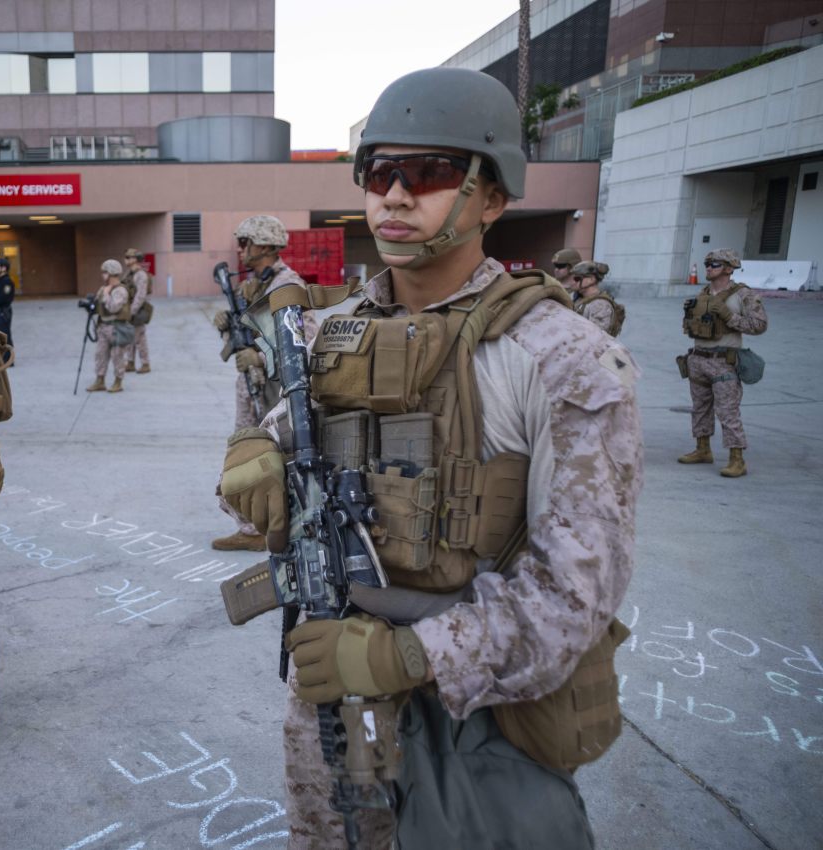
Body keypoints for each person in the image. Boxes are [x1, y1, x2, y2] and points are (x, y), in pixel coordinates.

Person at [220, 67, 643, 849]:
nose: (396, 194)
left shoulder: (562, 357)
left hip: (470, 713)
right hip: (325, 688)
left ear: (494, 196)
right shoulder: (327, 332)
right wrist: (250, 456)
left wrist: (404, 655)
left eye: (432, 172)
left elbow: (575, 599)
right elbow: (273, 438)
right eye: (380, 173)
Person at [209, 215, 317, 553]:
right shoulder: (253, 284)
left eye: (247, 243)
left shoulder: (286, 285)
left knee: (265, 455)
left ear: (267, 246)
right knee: (246, 450)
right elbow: (249, 330)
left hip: (273, 387)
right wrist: (228, 326)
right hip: (251, 385)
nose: (241, 250)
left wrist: (258, 358)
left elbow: (307, 337)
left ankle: (264, 527)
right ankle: (255, 524)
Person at [678, 248, 767, 478]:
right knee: (700, 408)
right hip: (698, 358)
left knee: (728, 411)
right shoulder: (703, 293)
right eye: (707, 264)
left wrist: (729, 316)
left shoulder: (742, 295)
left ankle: (737, 459)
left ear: (728, 268)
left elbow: (759, 325)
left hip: (723, 361)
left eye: (714, 264)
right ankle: (702, 449)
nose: (708, 268)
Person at [85, 259, 132, 393]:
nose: (102, 275)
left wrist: (106, 294)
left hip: (117, 328)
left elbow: (113, 307)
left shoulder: (120, 291)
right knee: (100, 354)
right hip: (103, 326)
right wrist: (89, 305)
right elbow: (97, 306)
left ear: (112, 273)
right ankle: (100, 380)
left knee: (117, 356)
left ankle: (118, 382)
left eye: (105, 272)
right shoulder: (103, 288)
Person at [570, 260, 624, 337]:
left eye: (577, 279)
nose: (573, 282)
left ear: (591, 279)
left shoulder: (600, 304)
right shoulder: (580, 299)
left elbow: (595, 336)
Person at [122, 248, 152, 374]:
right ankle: (130, 362)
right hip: (129, 309)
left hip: (137, 310)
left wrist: (132, 311)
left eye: (128, 257)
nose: (126, 259)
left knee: (140, 338)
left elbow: (141, 295)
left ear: (135, 259)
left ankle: (145, 364)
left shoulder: (141, 275)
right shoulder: (129, 274)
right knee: (130, 337)